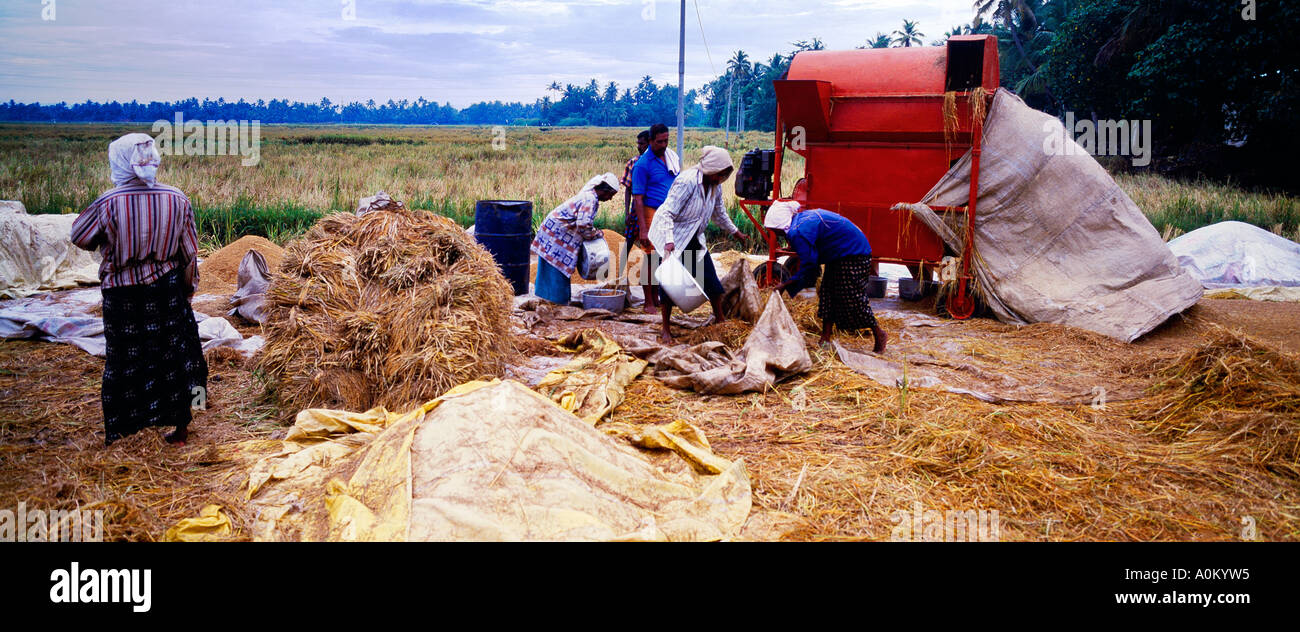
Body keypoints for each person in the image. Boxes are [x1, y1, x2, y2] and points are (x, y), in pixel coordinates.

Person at [70, 133, 207, 446]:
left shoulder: (108, 202)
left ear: (119, 162)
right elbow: (188, 254)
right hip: (166, 291)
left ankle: (120, 435)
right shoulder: (177, 198)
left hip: (123, 295)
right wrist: (187, 292)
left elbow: (80, 236)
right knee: (174, 358)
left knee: (125, 362)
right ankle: (180, 430)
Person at [647, 146, 747, 343]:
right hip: (673, 235)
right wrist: (669, 240)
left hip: (693, 236)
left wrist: (735, 231)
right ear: (711, 169)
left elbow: (719, 213)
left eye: (724, 175)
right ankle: (665, 329)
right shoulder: (687, 181)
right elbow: (667, 212)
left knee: (709, 276)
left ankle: (720, 319)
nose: (721, 178)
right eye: (720, 174)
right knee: (670, 283)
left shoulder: (714, 186)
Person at [765, 203, 888, 352]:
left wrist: (785, 285)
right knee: (828, 293)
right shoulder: (800, 221)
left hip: (854, 253)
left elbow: (809, 266)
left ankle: (879, 333)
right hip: (839, 254)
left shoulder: (798, 231)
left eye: (773, 231)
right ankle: (826, 337)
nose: (775, 234)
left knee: (851, 297)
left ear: (779, 227)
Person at [531, 173, 621, 305]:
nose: (610, 199)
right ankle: (556, 301)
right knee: (557, 266)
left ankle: (551, 299)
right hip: (556, 234)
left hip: (554, 231)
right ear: (604, 190)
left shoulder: (589, 196)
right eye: (610, 195)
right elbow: (583, 225)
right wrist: (596, 234)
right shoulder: (590, 199)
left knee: (553, 265)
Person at [629, 123, 681, 312]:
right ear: (650, 141)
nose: (664, 145)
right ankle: (648, 301)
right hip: (651, 212)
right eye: (660, 142)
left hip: (668, 214)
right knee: (650, 258)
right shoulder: (642, 165)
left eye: (666, 140)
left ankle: (659, 296)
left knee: (663, 257)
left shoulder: (671, 158)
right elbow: (638, 198)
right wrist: (643, 228)